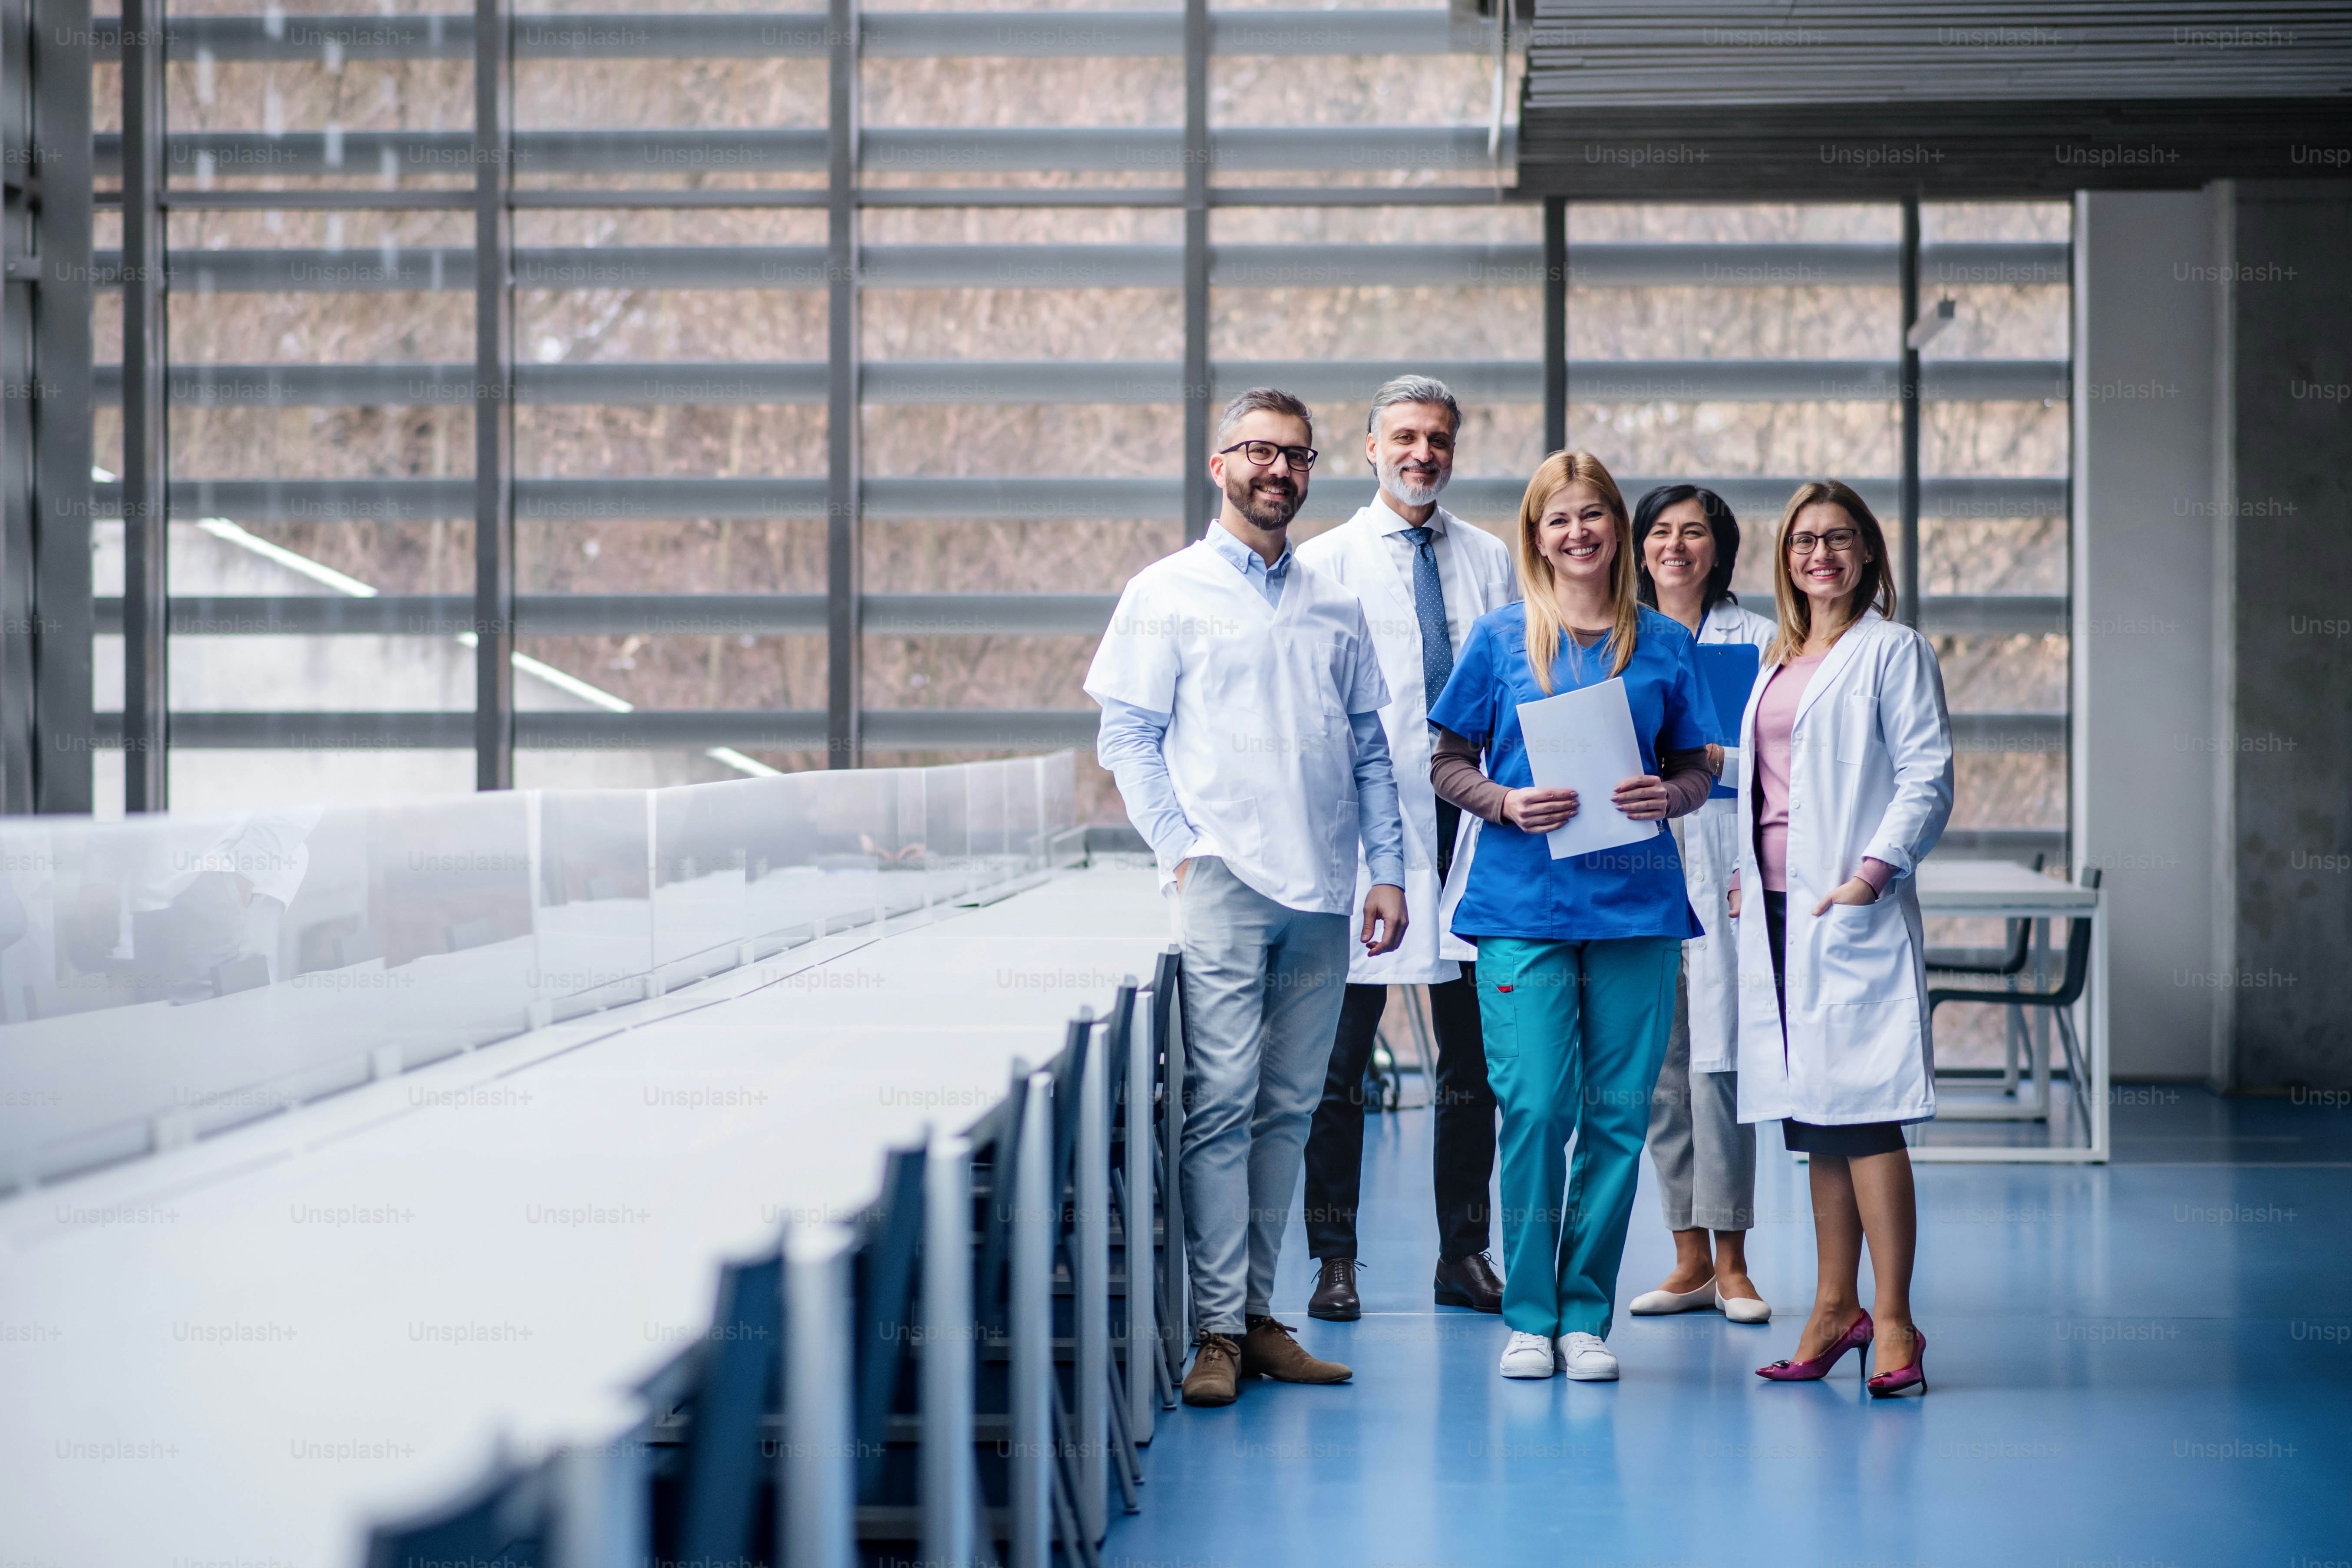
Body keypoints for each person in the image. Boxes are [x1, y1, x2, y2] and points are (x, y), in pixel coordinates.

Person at [1085, 387, 1411, 1408]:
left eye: (1297, 457)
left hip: (1322, 892)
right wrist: (1184, 853)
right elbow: (1126, 736)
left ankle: (1264, 1321)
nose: (1279, 471)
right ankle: (1215, 1330)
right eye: (1260, 452)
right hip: (1223, 883)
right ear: (1220, 465)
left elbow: (1370, 750)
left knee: (1288, 1114)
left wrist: (1389, 868)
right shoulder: (1165, 591)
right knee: (1218, 1110)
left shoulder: (1333, 602)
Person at [1426, 450, 1716, 1382]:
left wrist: (1667, 798)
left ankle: (1585, 1316)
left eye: (1593, 515)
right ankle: (1530, 1314)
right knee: (1538, 1106)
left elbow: (1700, 769)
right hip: (1524, 905)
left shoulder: (1664, 645)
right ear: (1536, 535)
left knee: (1619, 1116)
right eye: (1559, 519)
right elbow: (1446, 760)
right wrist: (1504, 803)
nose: (1578, 532)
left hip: (1636, 910)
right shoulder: (1502, 638)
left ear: (1616, 529)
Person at [1295, 376, 1519, 1322]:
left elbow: (1514, 692)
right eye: (1406, 438)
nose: (1422, 454)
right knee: (1336, 1069)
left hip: (1471, 841)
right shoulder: (1324, 563)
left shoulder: (1491, 559)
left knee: (1476, 1070)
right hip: (1361, 851)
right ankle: (1334, 1260)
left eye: (1439, 440)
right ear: (1372, 446)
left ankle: (1462, 1254)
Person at [1731, 479, 1953, 1398]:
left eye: (1839, 539)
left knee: (1866, 1116)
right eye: (1802, 541)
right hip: (1779, 914)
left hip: (1846, 905)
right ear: (1784, 558)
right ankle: (1832, 1309)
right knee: (1816, 1120)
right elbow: (1763, 788)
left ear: (1867, 554)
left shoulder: (1893, 652)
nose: (1819, 555)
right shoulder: (1778, 659)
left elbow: (1927, 775)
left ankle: (1895, 1320)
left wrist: (1872, 873)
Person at [1625, 485, 1776, 1326]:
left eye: (1694, 532)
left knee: (1721, 1068)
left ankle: (1735, 1259)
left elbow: (1779, 757)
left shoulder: (1758, 640)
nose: (1676, 546)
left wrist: (1709, 757)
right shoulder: (1621, 637)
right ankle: (1685, 1259)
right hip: (1640, 865)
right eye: (1661, 532)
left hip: (1725, 871)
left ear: (1719, 549)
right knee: (1660, 1067)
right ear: (1640, 548)